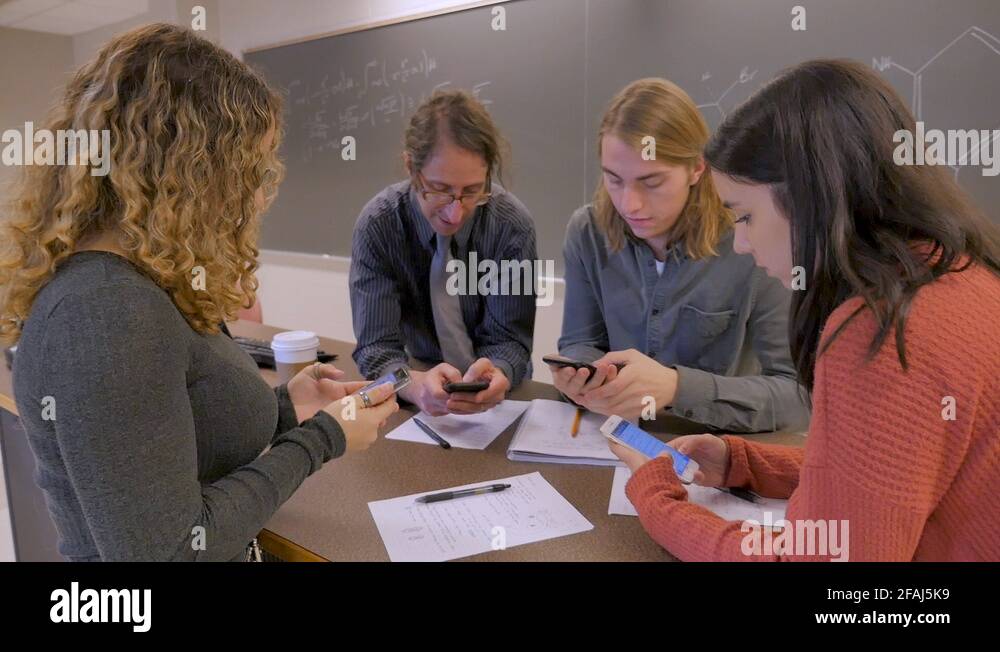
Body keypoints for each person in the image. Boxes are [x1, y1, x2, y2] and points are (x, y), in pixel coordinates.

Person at [1, 24, 397, 561]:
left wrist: (288, 408)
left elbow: (174, 430)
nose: (256, 197)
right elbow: (168, 554)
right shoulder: (104, 312)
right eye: (249, 172)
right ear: (191, 171)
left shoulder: (139, 282)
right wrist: (323, 438)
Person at [613, 60, 1000, 561]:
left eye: (746, 216)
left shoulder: (880, 332)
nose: (743, 244)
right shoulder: (964, 275)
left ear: (810, 196)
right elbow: (892, 478)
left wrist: (656, 497)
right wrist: (747, 462)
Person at [551, 78, 810, 433]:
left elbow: (798, 397)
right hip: (610, 442)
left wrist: (676, 388)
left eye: (652, 182)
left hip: (716, 454)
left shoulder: (749, 240)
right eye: (614, 179)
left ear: (696, 168)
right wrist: (579, 373)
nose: (630, 204)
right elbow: (581, 343)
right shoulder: (587, 232)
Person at [350, 89, 537, 417]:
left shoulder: (511, 226)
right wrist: (412, 384)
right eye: (440, 190)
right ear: (411, 167)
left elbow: (510, 341)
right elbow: (377, 349)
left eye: (471, 192)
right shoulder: (378, 225)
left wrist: (500, 373)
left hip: (498, 399)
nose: (455, 213)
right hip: (416, 381)